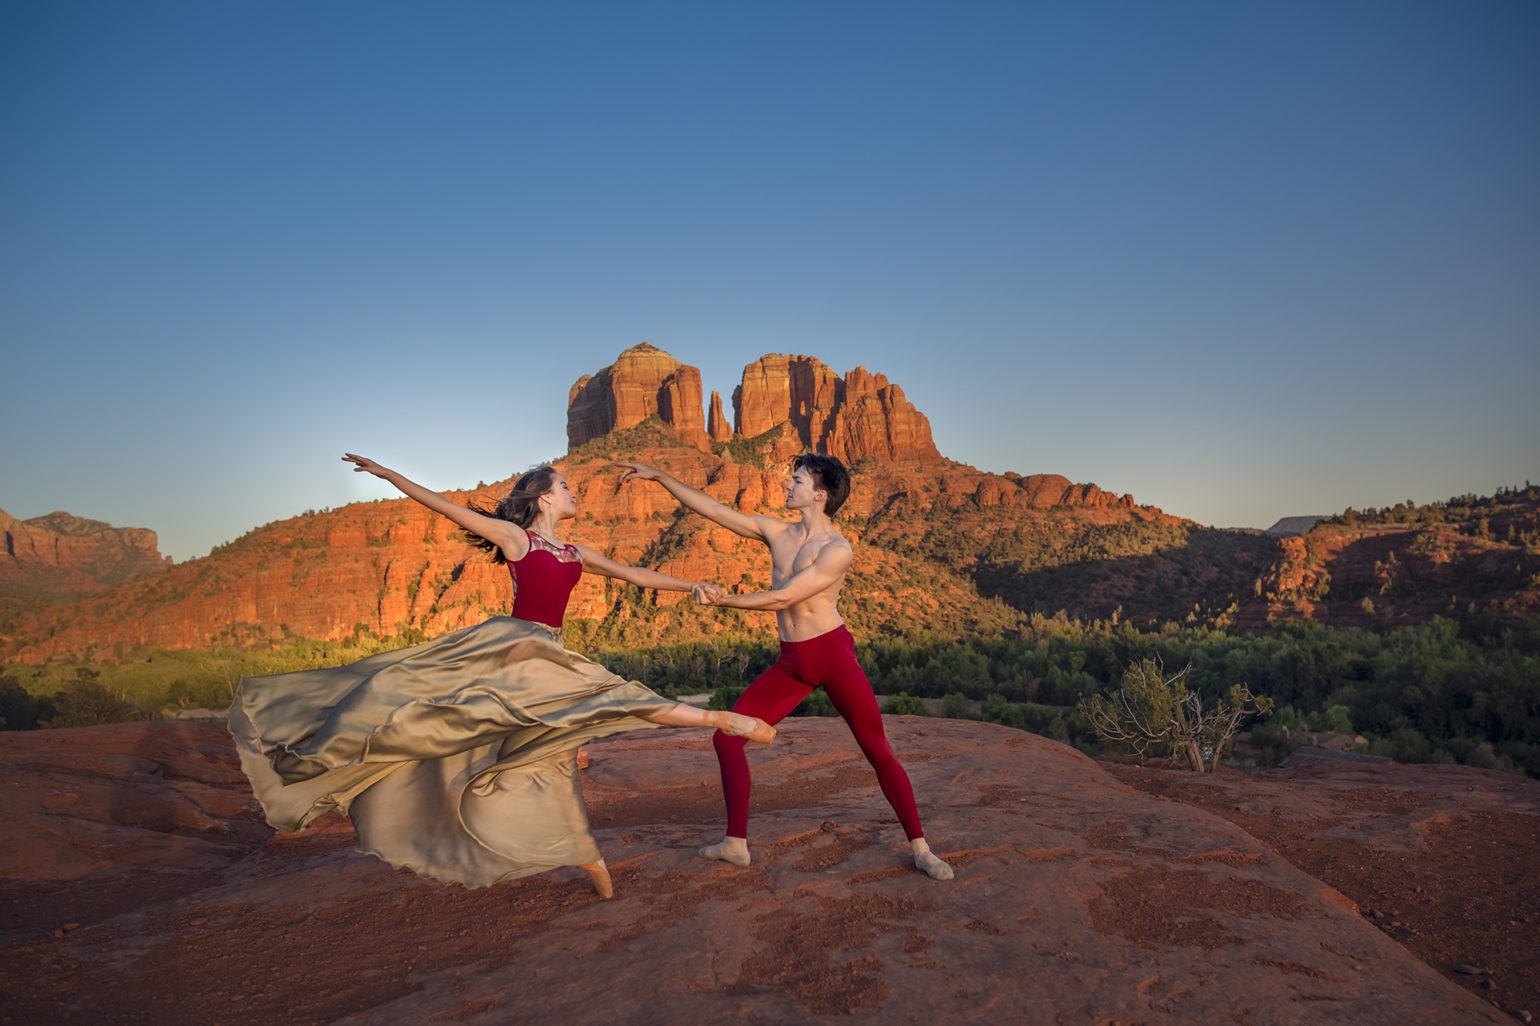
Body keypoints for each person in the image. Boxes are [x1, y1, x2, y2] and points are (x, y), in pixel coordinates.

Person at [228, 456, 775, 899]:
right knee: (606, 696)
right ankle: (720, 718)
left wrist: (691, 585)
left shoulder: (574, 552)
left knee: (554, 756)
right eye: (565, 487)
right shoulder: (519, 541)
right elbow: (445, 507)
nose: (573, 493)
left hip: (550, 654)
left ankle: (584, 853)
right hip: (515, 653)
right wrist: (390, 475)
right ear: (545, 498)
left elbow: (636, 575)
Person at [617, 454, 953, 881]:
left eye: (797, 480)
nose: (788, 485)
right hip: (792, 662)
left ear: (820, 494)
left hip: (832, 657)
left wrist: (723, 600)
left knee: (877, 751)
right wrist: (660, 476)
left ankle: (921, 849)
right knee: (727, 737)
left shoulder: (837, 550)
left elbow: (784, 597)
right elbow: (714, 510)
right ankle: (735, 844)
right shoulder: (777, 532)